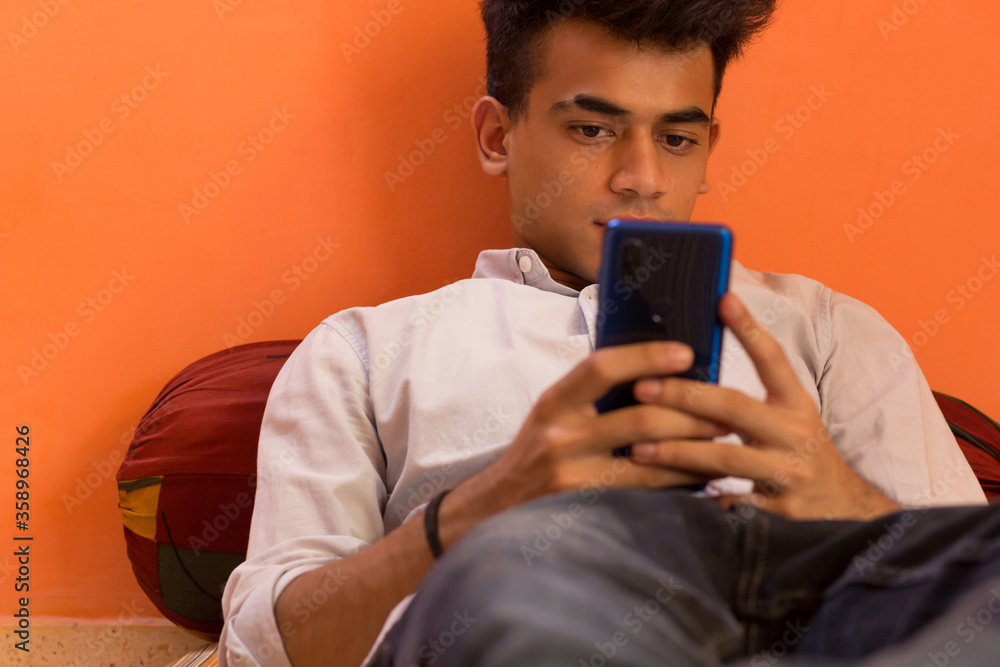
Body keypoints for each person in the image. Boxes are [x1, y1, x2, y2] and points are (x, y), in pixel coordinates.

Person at [219, 2, 990, 665]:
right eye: (594, 129)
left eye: (678, 139)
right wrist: (477, 511)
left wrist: (848, 512)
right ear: (497, 136)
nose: (643, 176)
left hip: (803, 604)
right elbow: (273, 645)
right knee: (533, 568)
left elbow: (963, 578)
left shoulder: (831, 331)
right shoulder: (362, 352)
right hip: (540, 596)